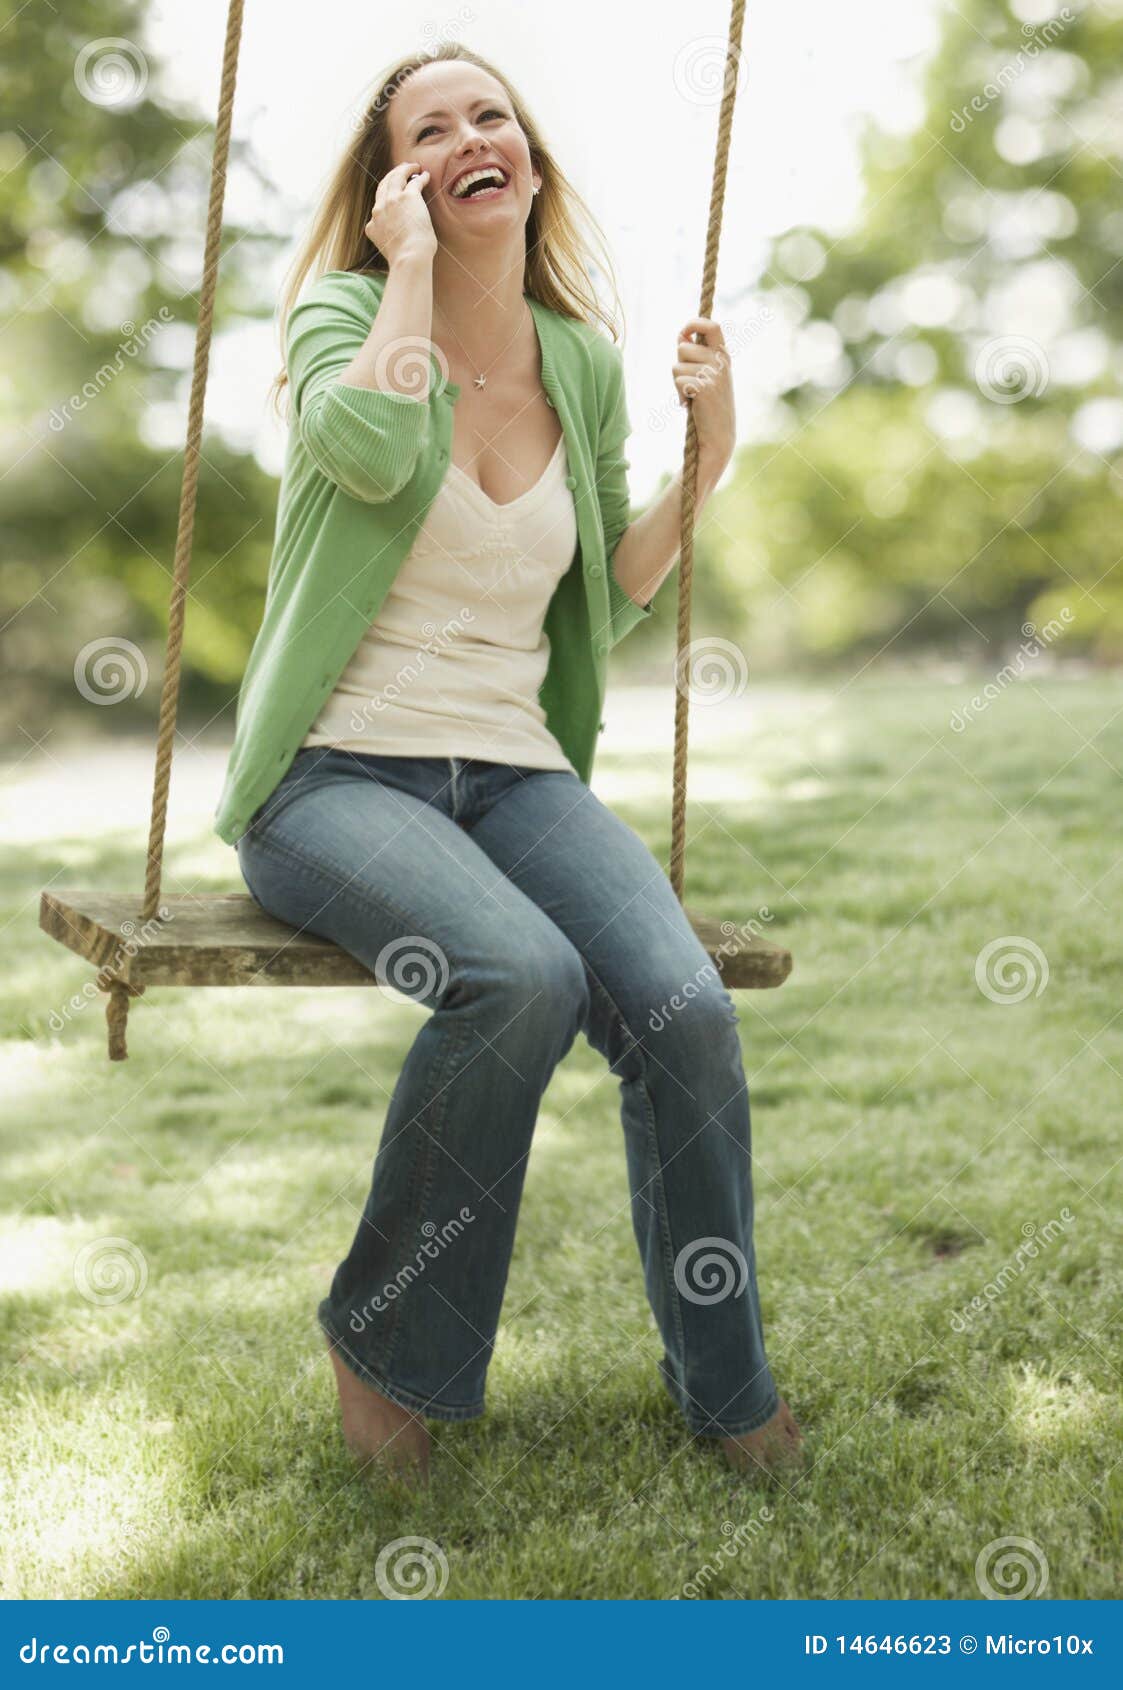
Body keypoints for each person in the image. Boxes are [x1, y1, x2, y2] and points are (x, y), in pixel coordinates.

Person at [215, 43, 801, 1485]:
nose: (476, 135)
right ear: (393, 182)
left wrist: (705, 460)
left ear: (526, 157)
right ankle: (387, 1342)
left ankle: (727, 1390)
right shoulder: (344, 313)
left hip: (518, 773)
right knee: (519, 976)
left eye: (495, 116)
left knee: (684, 1011)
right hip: (336, 776)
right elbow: (365, 449)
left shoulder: (582, 359)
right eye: (434, 127)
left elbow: (607, 585)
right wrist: (403, 272)